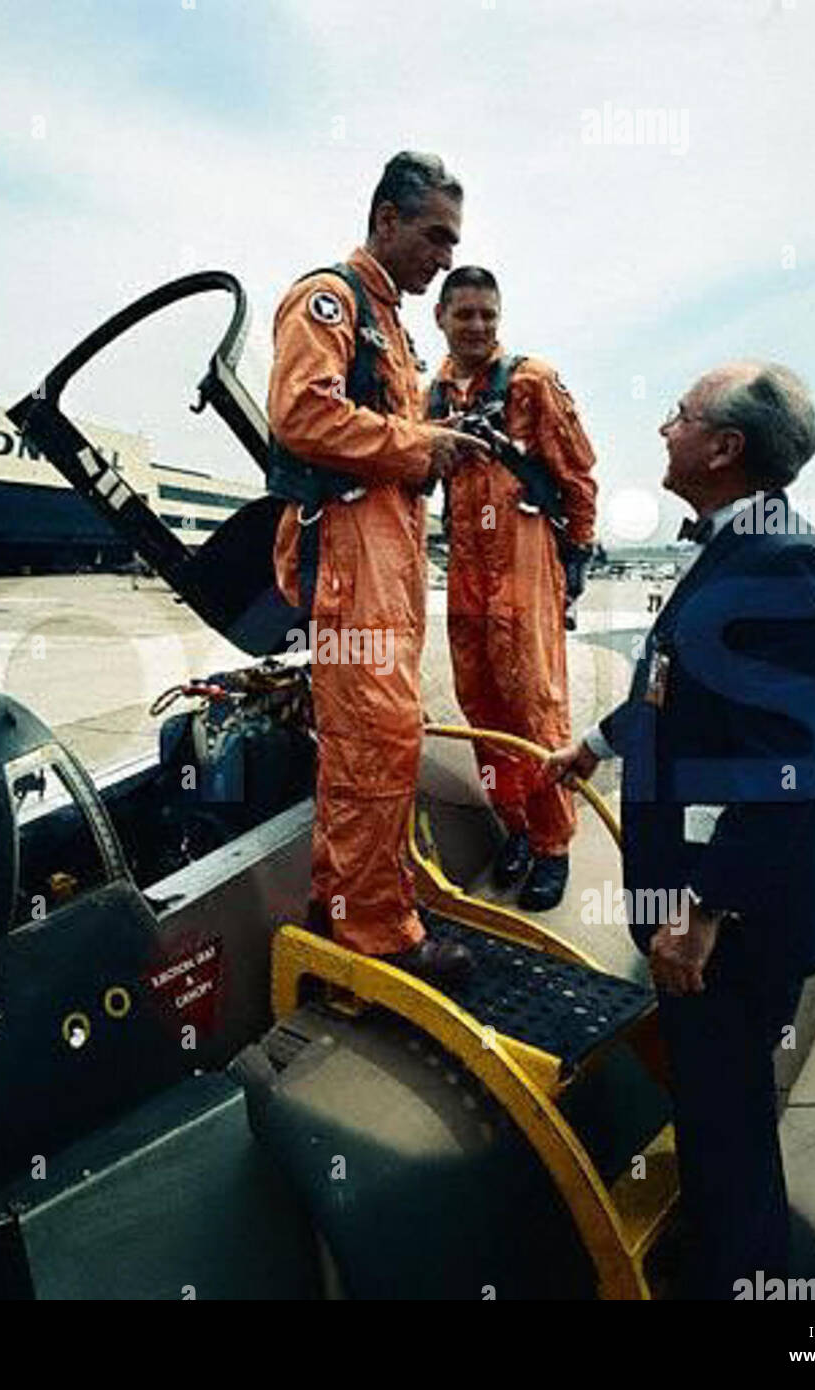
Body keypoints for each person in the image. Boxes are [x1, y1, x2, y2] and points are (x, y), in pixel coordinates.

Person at [546, 362, 815, 1298]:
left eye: (678, 417)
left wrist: (705, 910)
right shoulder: (734, 546)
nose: (663, 430)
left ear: (724, 449)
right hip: (693, 910)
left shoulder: (783, 566)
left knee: (728, 1134)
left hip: (728, 926)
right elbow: (680, 687)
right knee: (715, 1110)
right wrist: (597, 743)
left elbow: (785, 764)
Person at [267, 152, 488, 984]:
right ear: (385, 220)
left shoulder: (391, 322)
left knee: (379, 744)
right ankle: (375, 937)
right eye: (433, 235)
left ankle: (354, 899)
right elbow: (302, 413)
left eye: (452, 240)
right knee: (375, 745)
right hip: (352, 566)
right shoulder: (330, 301)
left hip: (388, 563)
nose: (443, 255)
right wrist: (418, 446)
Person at [427, 266, 597, 910]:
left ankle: (554, 843)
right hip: (467, 566)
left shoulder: (533, 382)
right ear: (439, 317)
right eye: (464, 314)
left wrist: (574, 558)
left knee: (533, 708)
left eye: (487, 316)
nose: (476, 326)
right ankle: (519, 826)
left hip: (524, 564)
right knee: (482, 706)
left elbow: (578, 476)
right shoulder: (435, 395)